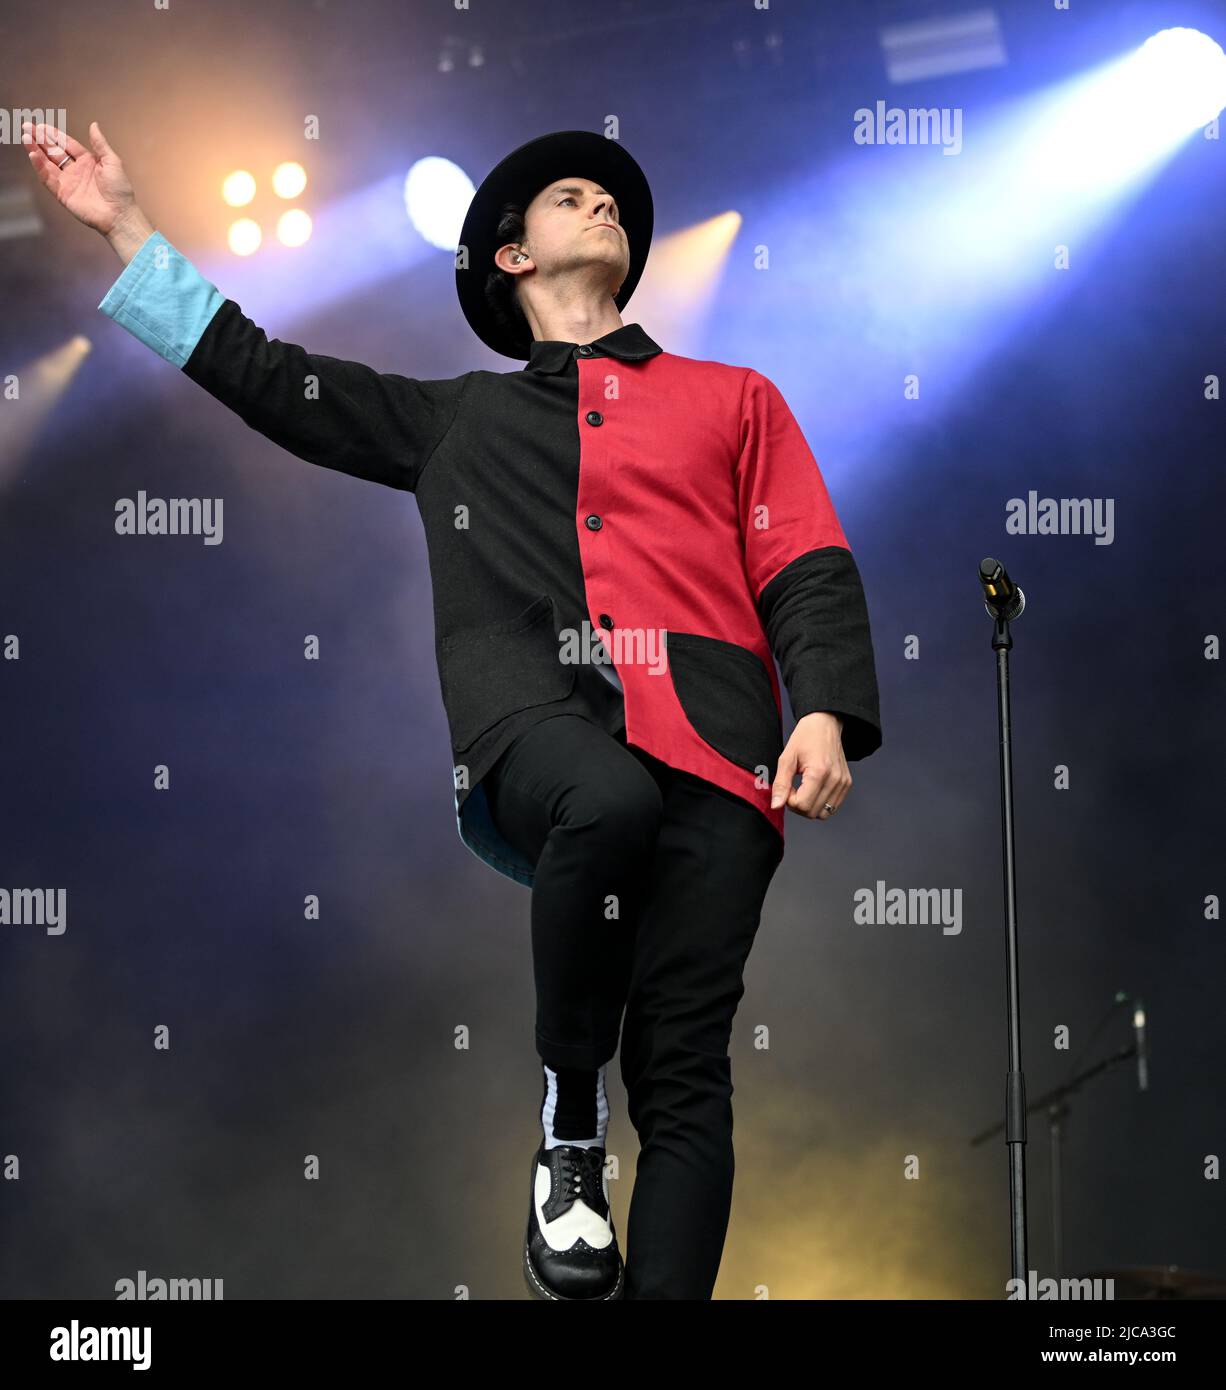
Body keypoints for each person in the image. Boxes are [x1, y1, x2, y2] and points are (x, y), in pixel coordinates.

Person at [23, 120, 883, 1300]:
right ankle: (569, 1125)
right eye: (568, 196)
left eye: (608, 199)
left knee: (684, 1071)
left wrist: (824, 709)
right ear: (509, 258)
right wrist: (127, 227)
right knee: (602, 794)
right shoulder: (456, 419)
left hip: (722, 753)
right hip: (536, 722)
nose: (600, 205)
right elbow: (271, 377)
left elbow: (807, 565)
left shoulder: (735, 400)